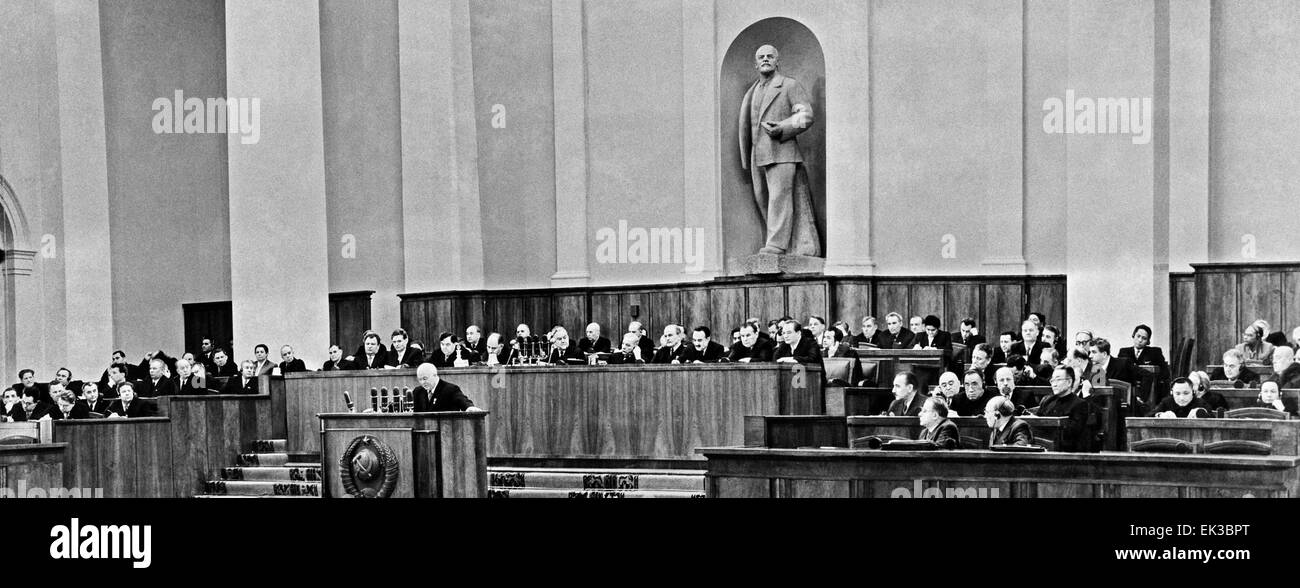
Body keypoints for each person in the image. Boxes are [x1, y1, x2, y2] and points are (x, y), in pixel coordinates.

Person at [738, 44, 819, 256]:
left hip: (782, 152)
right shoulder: (752, 92)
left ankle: (777, 245)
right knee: (762, 198)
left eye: (770, 56)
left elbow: (806, 116)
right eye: (761, 57)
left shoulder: (789, 85)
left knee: (778, 199)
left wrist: (783, 128)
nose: (765, 59)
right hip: (758, 154)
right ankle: (783, 242)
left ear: (777, 61)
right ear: (755, 64)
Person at [1036, 366, 1091, 452]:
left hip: (1065, 452)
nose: (1054, 384)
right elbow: (1037, 423)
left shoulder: (1080, 404)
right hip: (1041, 446)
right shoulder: (1047, 400)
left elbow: (1072, 434)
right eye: (1052, 380)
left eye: (1058, 380)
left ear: (1069, 382)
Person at [411, 363, 482, 412]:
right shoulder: (418, 391)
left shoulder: (450, 389)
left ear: (434, 375)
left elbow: (463, 401)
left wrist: (469, 407)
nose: (423, 382)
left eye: (425, 378)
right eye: (420, 379)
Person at [1148, 378, 1213, 418]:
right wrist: (1160, 415)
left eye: (1186, 393)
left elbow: (1213, 419)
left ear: (1193, 392)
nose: (1182, 398)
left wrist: (1201, 414)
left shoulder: (1200, 403)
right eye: (1177, 394)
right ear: (1172, 393)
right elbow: (1148, 417)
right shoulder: (1166, 402)